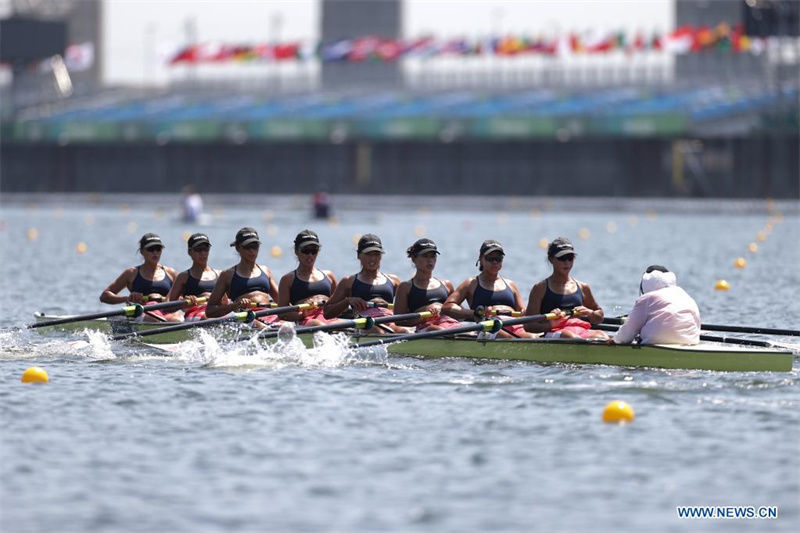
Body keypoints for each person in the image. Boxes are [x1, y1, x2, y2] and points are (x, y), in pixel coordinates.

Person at [443, 239, 536, 338]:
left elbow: (523, 311)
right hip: (488, 326)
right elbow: (447, 307)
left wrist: (524, 311)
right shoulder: (471, 284)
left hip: (514, 324)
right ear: (481, 259)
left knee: (533, 337)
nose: (495, 262)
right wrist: (474, 313)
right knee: (508, 337)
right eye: (490, 258)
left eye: (498, 259)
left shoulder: (511, 284)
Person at [524, 237, 608, 339]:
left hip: (579, 330)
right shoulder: (540, 288)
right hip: (555, 331)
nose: (567, 262)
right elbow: (528, 326)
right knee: (569, 336)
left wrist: (589, 313)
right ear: (551, 259)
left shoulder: (583, 287)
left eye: (570, 258)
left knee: (602, 336)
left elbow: (599, 317)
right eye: (562, 258)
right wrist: (552, 324)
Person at [323, 233, 405, 333]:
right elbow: (327, 313)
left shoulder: (394, 280)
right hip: (365, 323)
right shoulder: (348, 282)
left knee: (405, 331)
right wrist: (347, 301)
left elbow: (410, 306)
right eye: (368, 254)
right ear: (359, 255)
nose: (373, 259)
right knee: (378, 331)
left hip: (389, 320)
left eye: (376, 254)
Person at [100, 233, 182, 322]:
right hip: (142, 311)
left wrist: (187, 298)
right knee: (155, 319)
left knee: (178, 319)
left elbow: (184, 295)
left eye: (158, 249)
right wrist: (127, 298)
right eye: (151, 249)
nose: (155, 253)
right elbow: (105, 296)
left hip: (165, 311)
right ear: (142, 251)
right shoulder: (131, 273)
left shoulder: (171, 273)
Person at [206, 227, 279, 326]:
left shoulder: (265, 271)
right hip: (245, 316)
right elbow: (210, 311)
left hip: (268, 314)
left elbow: (282, 302)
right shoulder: (227, 275)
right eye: (248, 247)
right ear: (238, 248)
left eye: (255, 246)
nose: (252, 251)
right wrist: (234, 306)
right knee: (261, 326)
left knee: (287, 326)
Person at [612, 265, 701, 345]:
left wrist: (613, 340)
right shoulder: (685, 296)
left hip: (658, 344)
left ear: (645, 284)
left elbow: (625, 337)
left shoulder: (646, 299)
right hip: (691, 341)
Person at [393, 238, 460, 331]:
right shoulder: (405, 287)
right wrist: (424, 316)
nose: (430, 260)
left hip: (450, 324)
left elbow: (460, 314)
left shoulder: (446, 284)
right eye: (425, 256)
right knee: (437, 330)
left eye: (433, 256)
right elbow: (398, 321)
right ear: (413, 258)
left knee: (472, 333)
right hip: (427, 328)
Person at [277, 230, 338, 326]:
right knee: (318, 324)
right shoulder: (288, 279)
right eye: (305, 251)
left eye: (314, 251)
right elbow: (281, 313)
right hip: (307, 321)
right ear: (296, 251)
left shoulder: (329, 275)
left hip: (328, 318)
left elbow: (339, 305)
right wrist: (301, 315)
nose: (310, 255)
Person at [167, 233, 224, 320]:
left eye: (206, 249)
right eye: (198, 249)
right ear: (190, 252)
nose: (203, 253)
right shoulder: (183, 277)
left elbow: (226, 303)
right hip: (195, 312)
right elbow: (170, 307)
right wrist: (185, 302)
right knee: (207, 317)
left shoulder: (219, 274)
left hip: (215, 312)